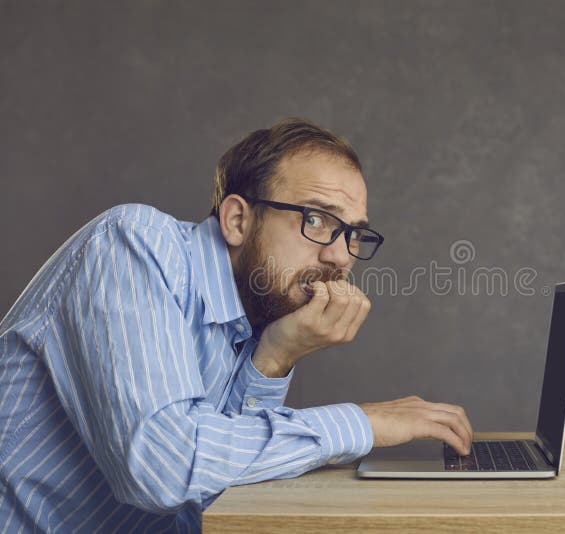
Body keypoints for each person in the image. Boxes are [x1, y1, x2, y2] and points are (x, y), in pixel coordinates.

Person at [0, 118, 474, 532]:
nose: (339, 256)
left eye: (353, 233)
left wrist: (275, 358)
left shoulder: (257, 312)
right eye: (316, 219)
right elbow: (165, 472)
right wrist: (363, 423)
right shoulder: (134, 245)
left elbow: (214, 500)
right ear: (237, 220)